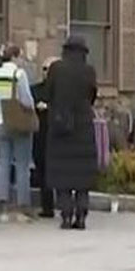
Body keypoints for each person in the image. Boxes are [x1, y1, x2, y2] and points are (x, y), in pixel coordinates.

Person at [42, 35, 99, 230]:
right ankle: (81, 216)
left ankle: (66, 216)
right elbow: (92, 96)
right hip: (83, 126)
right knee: (82, 177)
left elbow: (47, 94)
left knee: (62, 176)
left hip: (61, 127)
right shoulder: (89, 71)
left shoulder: (56, 69)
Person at [0, 44, 37, 223]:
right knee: (22, 165)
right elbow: (27, 100)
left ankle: (3, 207)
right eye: (20, 56)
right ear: (15, 57)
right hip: (17, 123)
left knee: (3, 164)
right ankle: (23, 206)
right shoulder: (19, 74)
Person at [32, 55, 59, 218]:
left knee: (58, 171)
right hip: (39, 134)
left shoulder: (62, 91)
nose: (46, 72)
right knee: (42, 170)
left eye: (50, 69)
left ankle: (64, 205)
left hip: (57, 134)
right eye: (44, 69)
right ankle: (47, 206)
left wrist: (50, 107)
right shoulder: (35, 89)